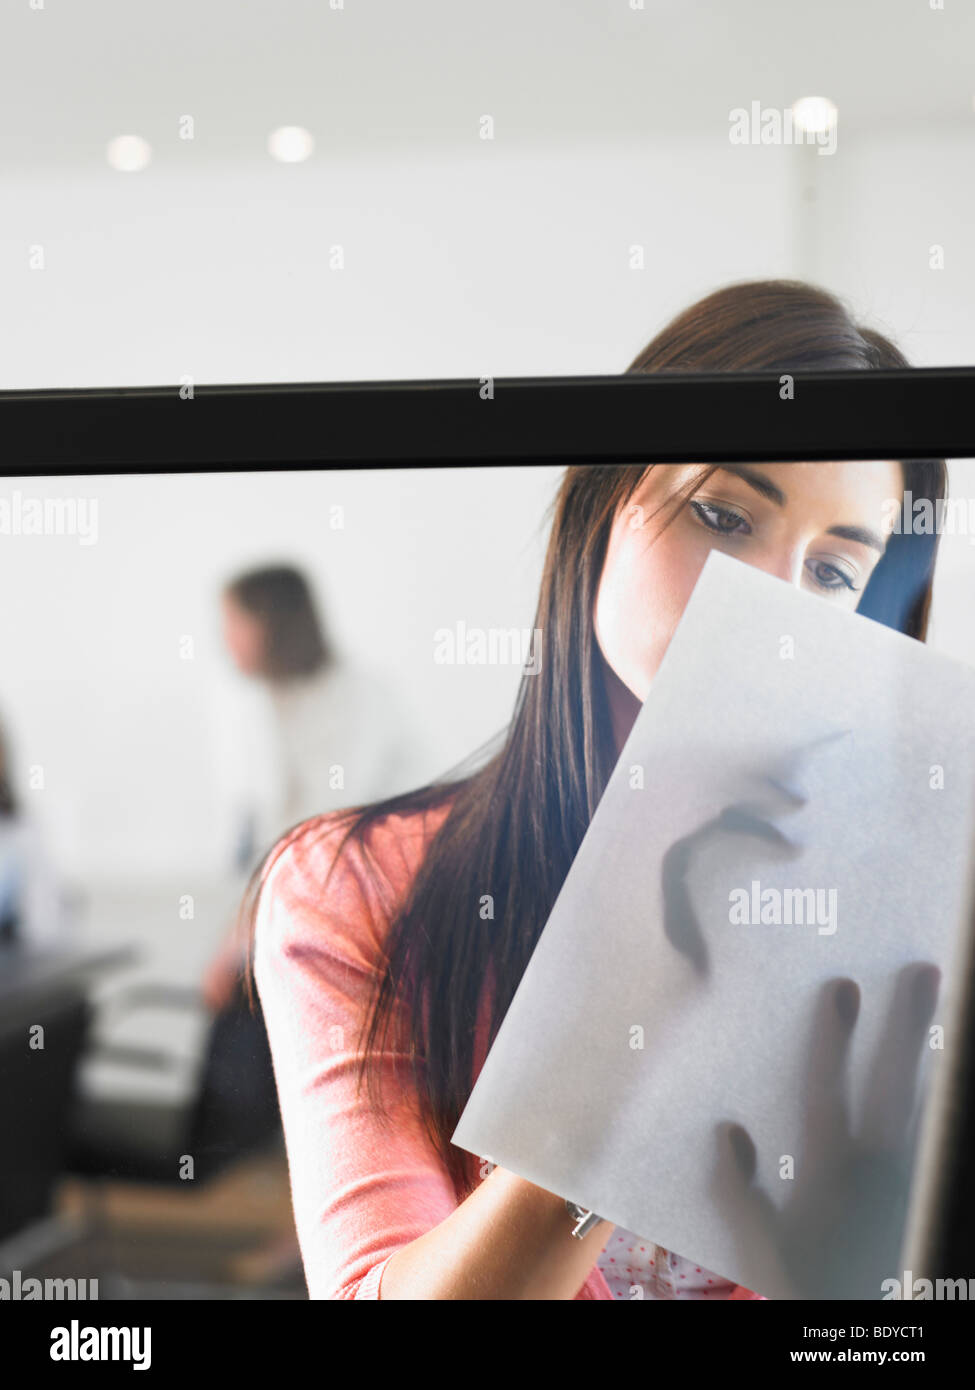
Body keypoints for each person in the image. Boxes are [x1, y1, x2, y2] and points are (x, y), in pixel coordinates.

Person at [245, 279, 946, 1300]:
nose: (773, 601)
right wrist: (653, 1003)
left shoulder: (908, 913)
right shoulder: (354, 889)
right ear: (602, 501)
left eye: (836, 573)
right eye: (723, 514)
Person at [204, 563, 426, 1012]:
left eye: (233, 622)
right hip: (313, 914)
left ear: (270, 623)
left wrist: (234, 949)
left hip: (377, 919)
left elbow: (312, 835)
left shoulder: (356, 699)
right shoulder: (265, 705)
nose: (223, 639)